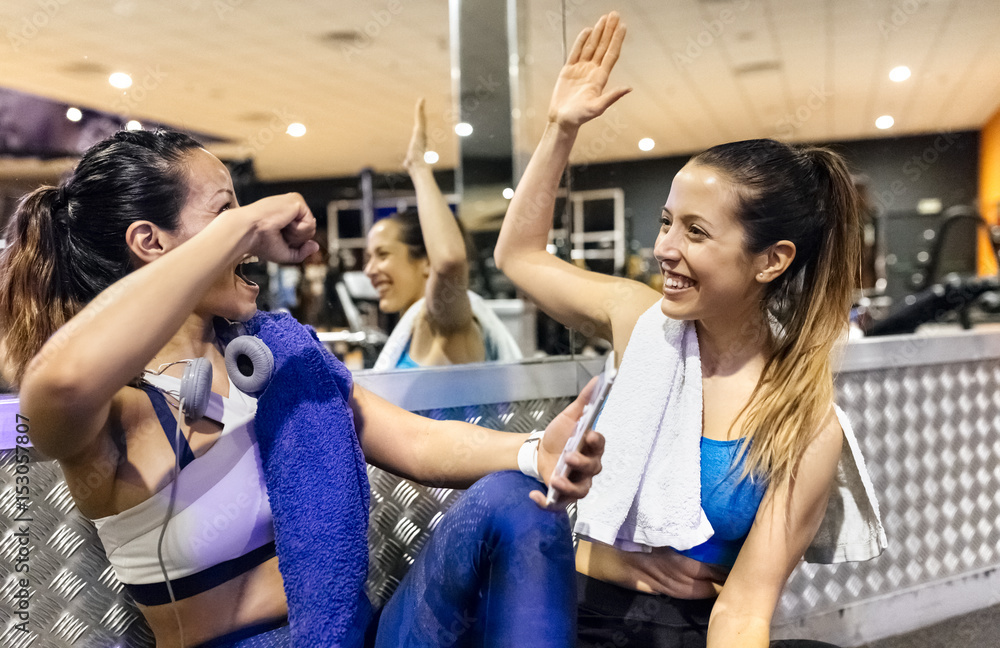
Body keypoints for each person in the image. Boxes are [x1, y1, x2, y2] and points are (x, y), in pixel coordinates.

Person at [0, 129, 605, 648]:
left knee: (516, 500)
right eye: (225, 212)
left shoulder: (272, 358)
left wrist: (534, 452)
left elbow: (416, 442)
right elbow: (59, 379)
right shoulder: (113, 413)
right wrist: (248, 223)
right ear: (149, 242)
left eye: (242, 214)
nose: (252, 236)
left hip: (354, 633)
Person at [494, 13, 885, 648]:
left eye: (695, 232)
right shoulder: (639, 322)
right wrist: (560, 128)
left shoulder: (806, 423)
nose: (664, 248)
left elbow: (744, 611)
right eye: (666, 222)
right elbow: (519, 256)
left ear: (771, 260)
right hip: (569, 608)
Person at [365, 98, 522, 369]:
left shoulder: (445, 325)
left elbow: (449, 260)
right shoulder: (412, 329)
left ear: (426, 261)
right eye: (368, 257)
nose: (369, 269)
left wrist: (418, 167)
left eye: (383, 254)